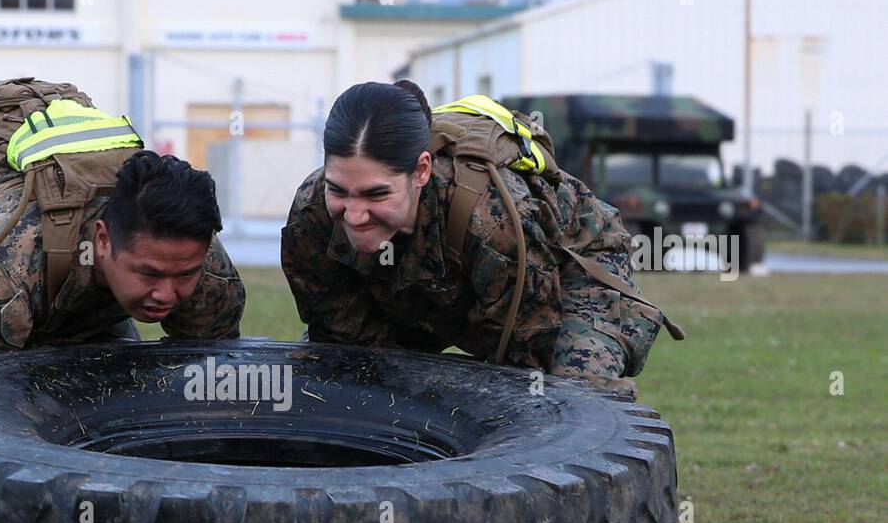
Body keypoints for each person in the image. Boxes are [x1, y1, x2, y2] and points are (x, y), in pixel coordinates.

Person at [280, 80, 681, 396]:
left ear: (421, 171)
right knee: (345, 376)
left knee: (563, 392)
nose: (353, 214)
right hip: (430, 283)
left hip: (567, 272)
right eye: (339, 190)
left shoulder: (490, 219)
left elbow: (526, 351)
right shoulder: (311, 216)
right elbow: (341, 335)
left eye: (375, 194)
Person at [0, 81, 245, 380]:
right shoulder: (8, 264)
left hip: (52, 266)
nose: (166, 295)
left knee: (113, 383)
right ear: (103, 241)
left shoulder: (202, 265)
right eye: (149, 274)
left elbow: (210, 381)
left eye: (183, 276)